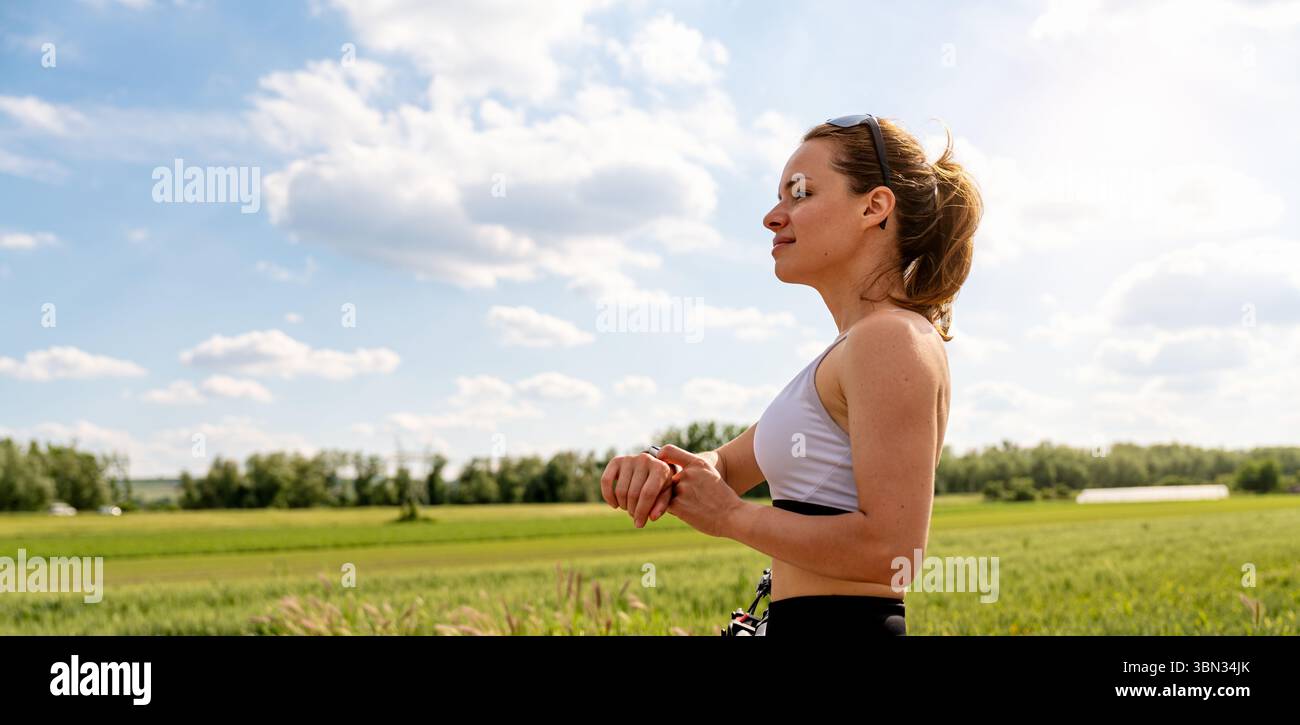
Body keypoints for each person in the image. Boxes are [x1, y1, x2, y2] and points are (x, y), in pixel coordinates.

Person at [600, 114, 983, 636]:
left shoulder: (890, 339)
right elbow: (724, 468)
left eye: (799, 193)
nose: (772, 217)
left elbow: (893, 553)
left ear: (874, 206)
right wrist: (657, 466)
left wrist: (731, 519)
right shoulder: (850, 350)